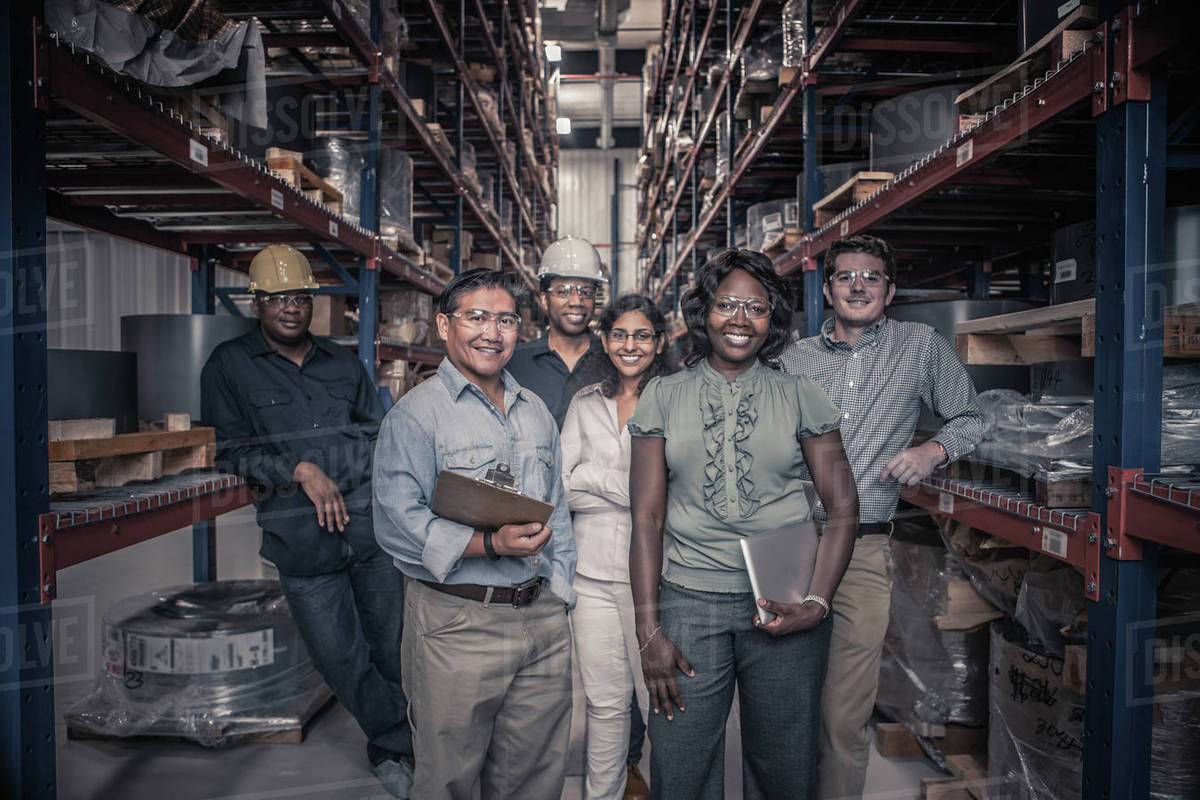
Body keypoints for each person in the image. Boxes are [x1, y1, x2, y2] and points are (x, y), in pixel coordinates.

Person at [628, 249, 860, 800]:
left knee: (783, 768)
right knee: (681, 767)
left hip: (784, 600)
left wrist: (817, 603)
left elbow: (844, 508)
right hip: (687, 604)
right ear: (703, 312)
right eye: (726, 304)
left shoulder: (800, 395)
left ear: (772, 318)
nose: (739, 319)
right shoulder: (662, 395)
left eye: (755, 307)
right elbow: (646, 518)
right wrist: (648, 632)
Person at [200, 244, 414, 798]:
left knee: (391, 647)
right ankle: (403, 736)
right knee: (340, 657)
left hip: (368, 530)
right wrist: (298, 470)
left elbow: (378, 431)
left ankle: (396, 750)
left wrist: (359, 480)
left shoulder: (343, 363)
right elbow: (231, 453)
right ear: (257, 303)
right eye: (278, 299)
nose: (291, 308)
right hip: (301, 537)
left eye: (301, 297)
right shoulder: (229, 366)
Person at [780, 234, 983, 800]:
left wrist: (931, 452)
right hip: (791, 545)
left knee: (845, 713)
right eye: (846, 276)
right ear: (828, 289)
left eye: (871, 277)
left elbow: (969, 415)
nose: (858, 286)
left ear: (890, 291)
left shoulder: (920, 347)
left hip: (865, 551)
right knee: (786, 705)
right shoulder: (795, 357)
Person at [372, 268, 577, 800]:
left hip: (540, 617)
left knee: (534, 776)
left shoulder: (535, 413)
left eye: (506, 319)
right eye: (477, 317)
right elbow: (396, 523)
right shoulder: (416, 416)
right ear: (444, 325)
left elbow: (560, 510)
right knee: (449, 778)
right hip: (456, 623)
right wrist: (487, 545)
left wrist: (561, 594)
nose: (493, 331)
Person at [508, 236, 650, 799]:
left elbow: (654, 482)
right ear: (543, 295)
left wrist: (589, 482)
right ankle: (532, 771)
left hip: (604, 545)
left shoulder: (617, 355)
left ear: (599, 298)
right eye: (563, 287)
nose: (574, 298)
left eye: (586, 289)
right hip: (531, 537)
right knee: (541, 672)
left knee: (622, 666)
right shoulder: (515, 362)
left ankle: (627, 765)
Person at [562, 294, 674, 800]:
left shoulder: (678, 399)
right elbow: (561, 484)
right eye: (620, 335)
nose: (631, 345)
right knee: (605, 706)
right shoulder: (585, 402)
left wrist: (594, 478)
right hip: (592, 579)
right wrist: (634, 486)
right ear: (604, 341)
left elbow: (681, 487)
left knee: (666, 703)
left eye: (643, 334)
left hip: (660, 579)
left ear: (660, 341)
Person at [507, 235, 610, 427]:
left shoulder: (612, 361)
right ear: (545, 300)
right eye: (563, 291)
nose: (576, 302)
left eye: (586, 292)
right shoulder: (515, 364)